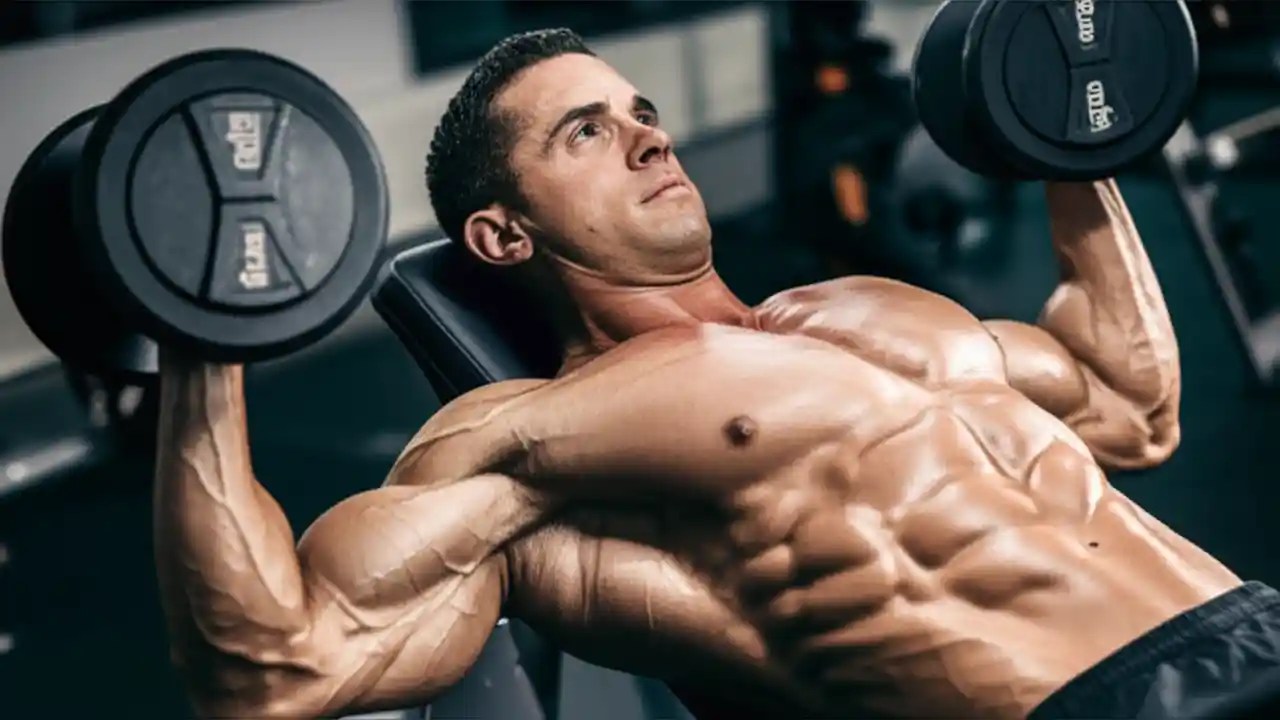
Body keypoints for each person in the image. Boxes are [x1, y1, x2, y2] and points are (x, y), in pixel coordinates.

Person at [152, 29, 1280, 720]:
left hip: (1251, 625)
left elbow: (1130, 409)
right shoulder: (535, 429)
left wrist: (1070, 151)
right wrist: (197, 332)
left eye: (641, 113)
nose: (650, 138)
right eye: (584, 134)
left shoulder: (862, 307)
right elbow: (278, 667)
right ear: (502, 236)